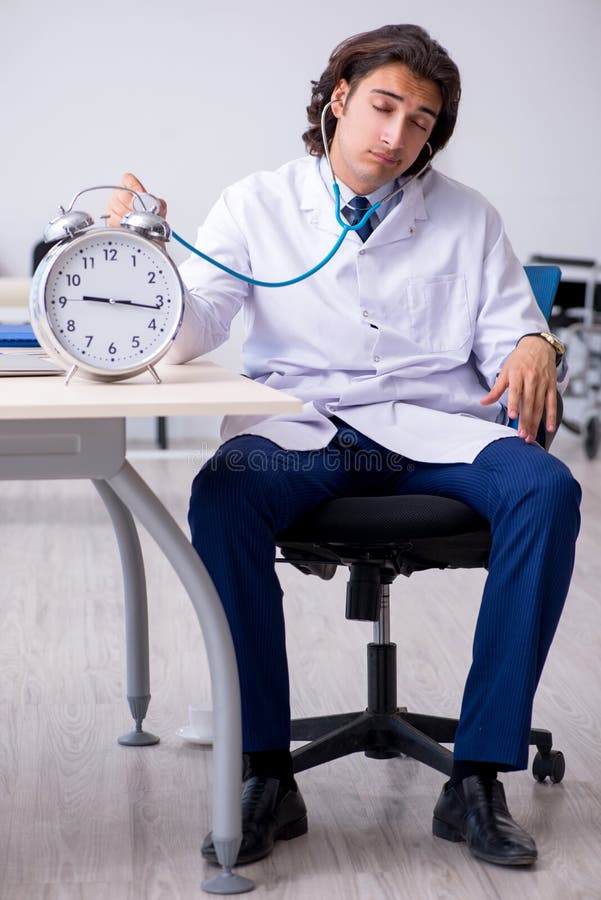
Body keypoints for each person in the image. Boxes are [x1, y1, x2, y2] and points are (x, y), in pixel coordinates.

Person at [109, 24, 581, 869]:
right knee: (224, 491)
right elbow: (190, 332)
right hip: (308, 428)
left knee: (546, 488)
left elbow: (514, 331)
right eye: (383, 105)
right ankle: (264, 772)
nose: (398, 135)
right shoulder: (256, 204)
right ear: (338, 101)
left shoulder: (467, 217)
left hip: (436, 429)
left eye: (422, 120)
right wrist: (144, 259)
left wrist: (534, 343)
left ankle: (474, 777)